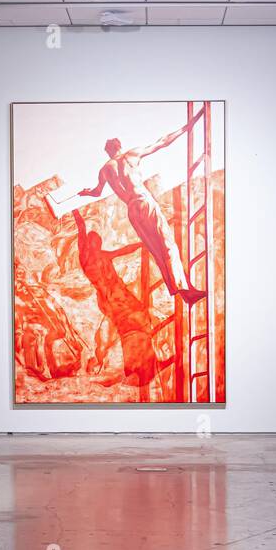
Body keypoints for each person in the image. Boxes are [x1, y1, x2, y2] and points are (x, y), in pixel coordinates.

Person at [76, 120, 207, 307]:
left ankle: (180, 290)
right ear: (120, 146)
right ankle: (185, 290)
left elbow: (96, 192)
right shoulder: (132, 155)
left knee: (156, 250)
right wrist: (184, 129)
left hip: (132, 209)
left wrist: (86, 192)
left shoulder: (105, 170)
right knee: (167, 244)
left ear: (107, 151)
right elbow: (162, 142)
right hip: (145, 201)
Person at [72, 209, 158, 387]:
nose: (98, 242)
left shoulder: (104, 254)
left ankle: (139, 367)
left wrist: (141, 244)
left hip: (117, 293)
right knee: (131, 324)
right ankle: (134, 369)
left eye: (99, 240)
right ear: (89, 242)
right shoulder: (86, 256)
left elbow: (123, 250)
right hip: (110, 297)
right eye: (95, 240)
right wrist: (74, 210)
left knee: (137, 320)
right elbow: (81, 228)